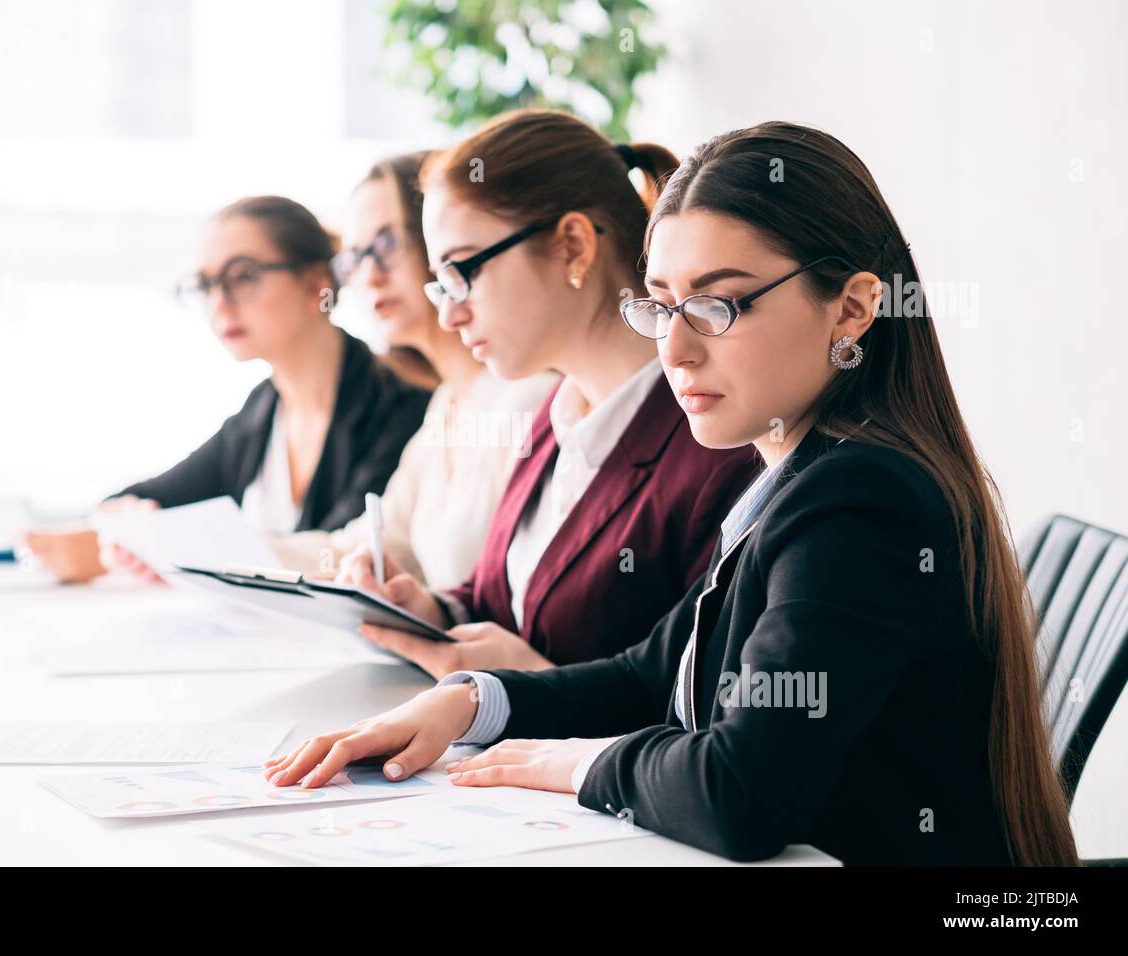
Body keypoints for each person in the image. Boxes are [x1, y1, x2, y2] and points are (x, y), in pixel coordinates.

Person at [263, 121, 1079, 867]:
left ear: (855, 308)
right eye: (663, 305)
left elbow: (741, 794)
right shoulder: (796, 477)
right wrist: (469, 702)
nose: (677, 350)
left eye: (719, 304)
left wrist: (568, 763)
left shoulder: (862, 503)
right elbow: (650, 671)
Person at [338, 110, 759, 676]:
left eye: (464, 271)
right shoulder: (555, 415)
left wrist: (534, 689)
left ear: (572, 247)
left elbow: (696, 712)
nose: (448, 312)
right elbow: (503, 601)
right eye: (440, 282)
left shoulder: (712, 437)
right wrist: (434, 610)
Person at [23, 195, 432, 583]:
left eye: (242, 276)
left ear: (316, 285)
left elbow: (340, 559)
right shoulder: (263, 410)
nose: (219, 303)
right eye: (206, 285)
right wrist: (124, 520)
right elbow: (157, 496)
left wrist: (169, 545)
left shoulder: (401, 400)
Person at [267, 153, 558, 590]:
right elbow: (377, 540)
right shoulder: (448, 404)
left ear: (443, 239)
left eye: (387, 245)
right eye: (355, 258)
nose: (369, 275)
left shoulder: (530, 398)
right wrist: (214, 553)